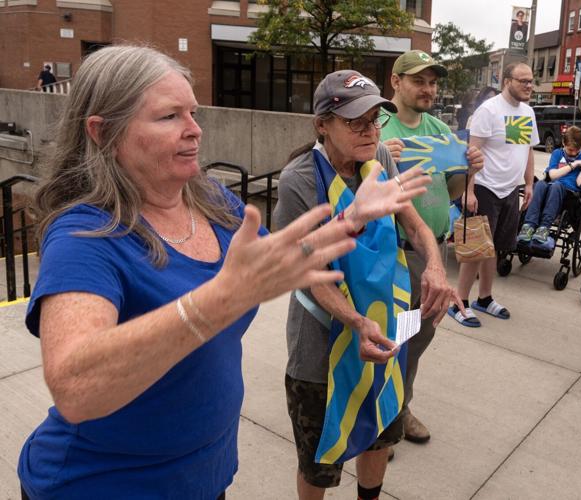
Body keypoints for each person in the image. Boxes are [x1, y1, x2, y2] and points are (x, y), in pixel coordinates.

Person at [17, 46, 423, 500]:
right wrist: (218, 301)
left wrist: (353, 219)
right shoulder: (84, 234)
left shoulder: (208, 197)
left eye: (193, 112)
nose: (194, 130)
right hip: (101, 485)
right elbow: (75, 389)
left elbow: (276, 261)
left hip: (203, 478)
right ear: (102, 131)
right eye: (169, 116)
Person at [274, 69, 460, 500]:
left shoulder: (382, 160)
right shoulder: (300, 180)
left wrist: (434, 265)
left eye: (375, 120)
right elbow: (304, 271)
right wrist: (355, 321)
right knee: (319, 460)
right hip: (321, 345)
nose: (370, 131)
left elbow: (413, 225)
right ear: (322, 124)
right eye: (356, 122)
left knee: (380, 434)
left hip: (386, 326)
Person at [379, 50, 484, 445]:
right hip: (392, 253)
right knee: (387, 337)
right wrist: (379, 158)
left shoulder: (441, 129)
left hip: (432, 253)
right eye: (418, 80)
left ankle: (399, 409)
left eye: (432, 81)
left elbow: (450, 190)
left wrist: (469, 170)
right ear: (396, 82)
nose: (428, 89)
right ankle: (378, 423)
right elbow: (350, 188)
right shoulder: (377, 126)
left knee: (417, 337)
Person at [448, 62, 539, 327]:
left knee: (495, 248)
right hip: (485, 188)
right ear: (506, 81)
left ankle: (484, 298)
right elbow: (472, 152)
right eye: (523, 81)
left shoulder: (527, 112)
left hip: (510, 190)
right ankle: (459, 302)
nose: (529, 86)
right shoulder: (488, 110)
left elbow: (527, 149)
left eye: (531, 81)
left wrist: (529, 184)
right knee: (476, 249)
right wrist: (468, 189)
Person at [517, 125, 581, 253]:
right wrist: (575, 164)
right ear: (563, 143)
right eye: (570, 150)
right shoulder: (557, 153)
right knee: (540, 184)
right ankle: (528, 226)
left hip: (568, 195)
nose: (573, 153)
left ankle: (543, 229)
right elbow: (552, 175)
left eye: (576, 150)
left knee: (556, 186)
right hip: (548, 187)